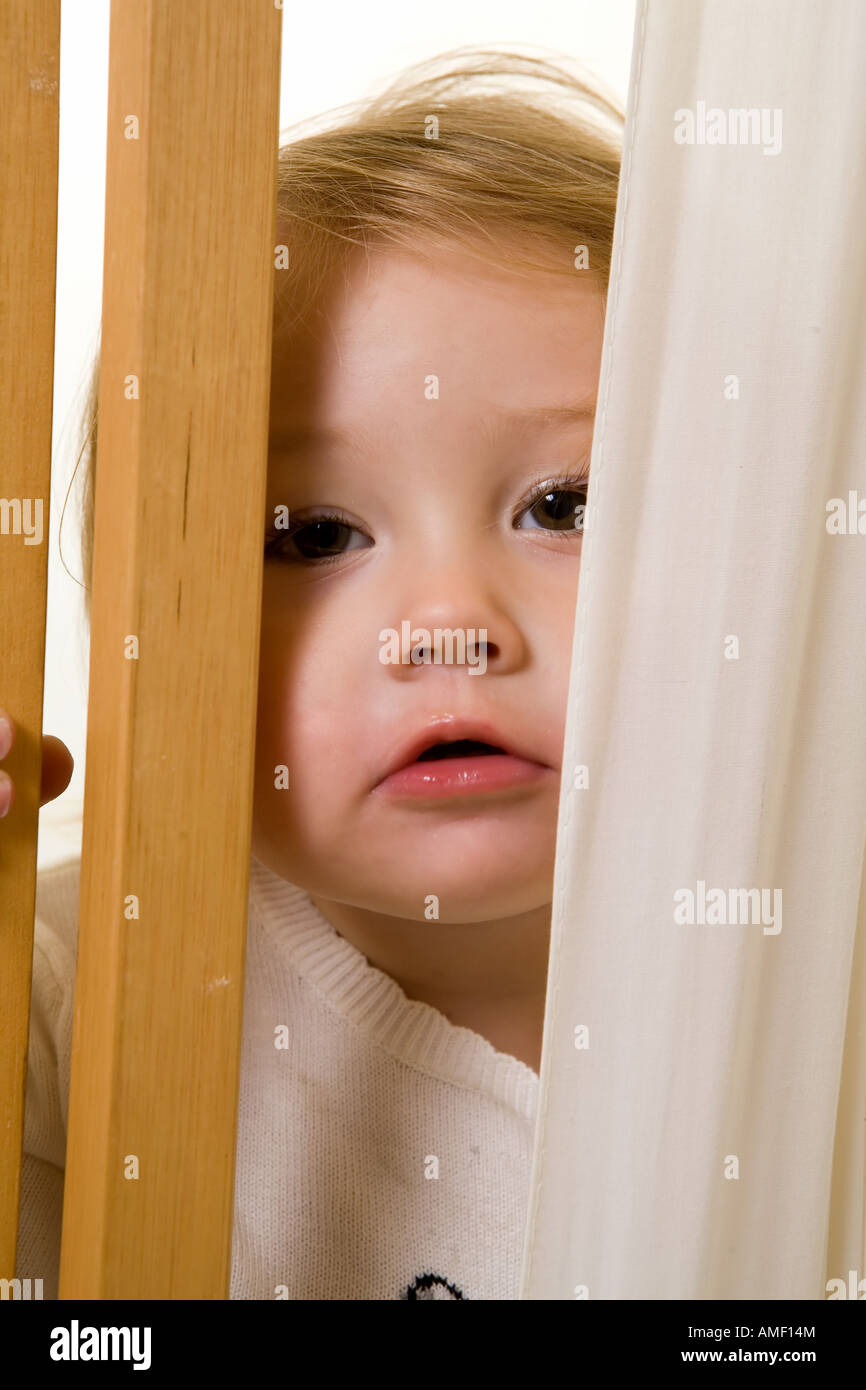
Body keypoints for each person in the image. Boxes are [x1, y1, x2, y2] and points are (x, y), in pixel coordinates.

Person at [5, 48, 622, 1299]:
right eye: (311, 536)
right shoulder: (70, 992)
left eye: (565, 505)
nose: (448, 628)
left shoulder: (816, 985)